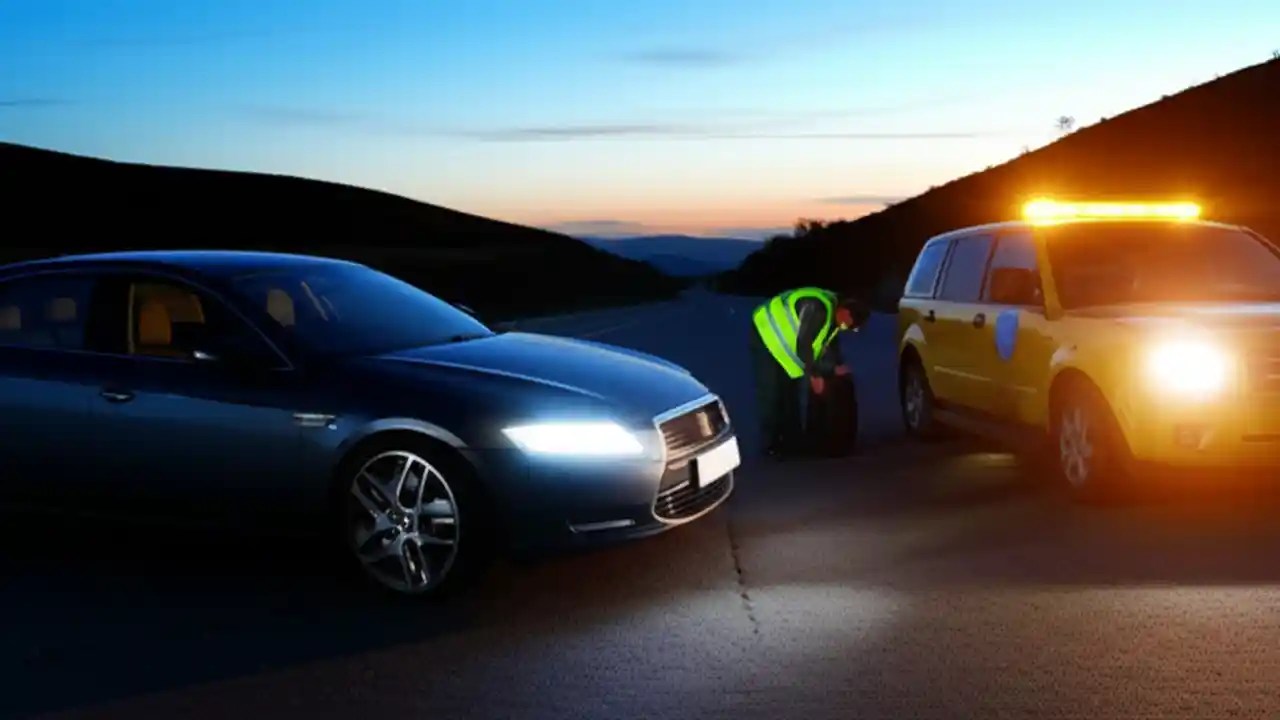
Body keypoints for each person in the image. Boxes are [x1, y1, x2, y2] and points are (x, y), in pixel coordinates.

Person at [748, 287, 868, 457]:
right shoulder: (817, 308)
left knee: (789, 393)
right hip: (766, 332)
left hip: (784, 345)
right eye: (851, 324)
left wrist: (835, 368)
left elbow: (827, 348)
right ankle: (771, 446)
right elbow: (804, 344)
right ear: (845, 312)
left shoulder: (833, 317)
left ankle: (790, 442)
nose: (847, 328)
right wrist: (815, 375)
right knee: (772, 393)